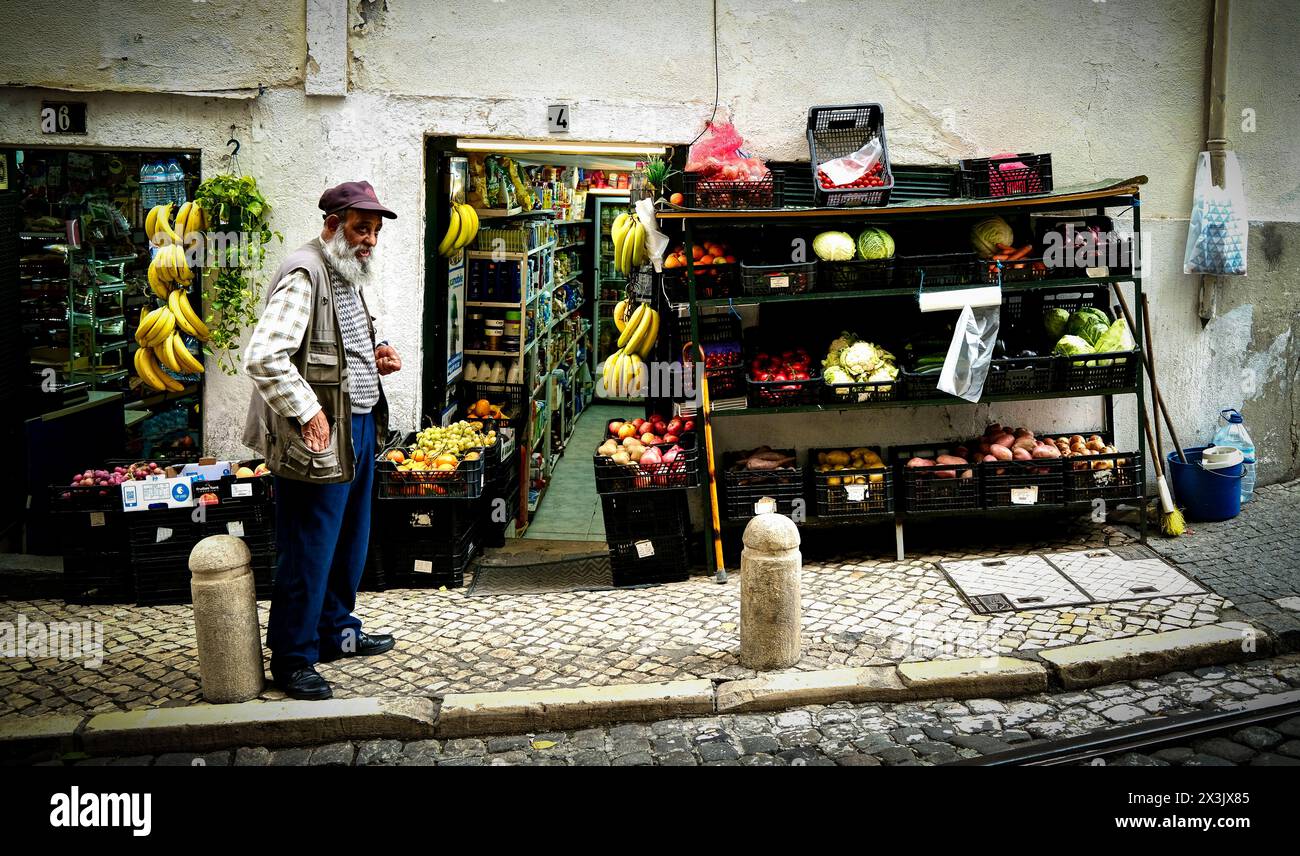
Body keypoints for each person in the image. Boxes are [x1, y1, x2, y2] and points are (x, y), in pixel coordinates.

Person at [242, 180, 402, 700]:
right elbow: (264, 355)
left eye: (375, 231)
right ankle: (293, 658)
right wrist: (308, 412)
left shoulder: (347, 270)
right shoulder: (305, 273)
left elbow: (350, 330)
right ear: (332, 225)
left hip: (356, 424)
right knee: (309, 545)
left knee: (350, 540)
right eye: (362, 228)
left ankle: (336, 631)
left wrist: (379, 350)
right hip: (319, 432)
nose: (370, 240)